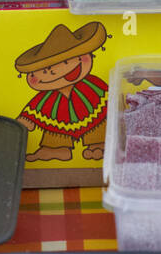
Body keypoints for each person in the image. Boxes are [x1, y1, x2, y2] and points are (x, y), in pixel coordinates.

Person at [14, 22, 109, 162]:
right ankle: (55, 149)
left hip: (91, 112)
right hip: (59, 118)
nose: (53, 72)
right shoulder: (48, 96)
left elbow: (105, 93)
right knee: (54, 130)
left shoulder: (91, 84)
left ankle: (98, 145)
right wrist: (27, 119)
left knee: (98, 123)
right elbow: (36, 107)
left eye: (65, 63)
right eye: (44, 70)